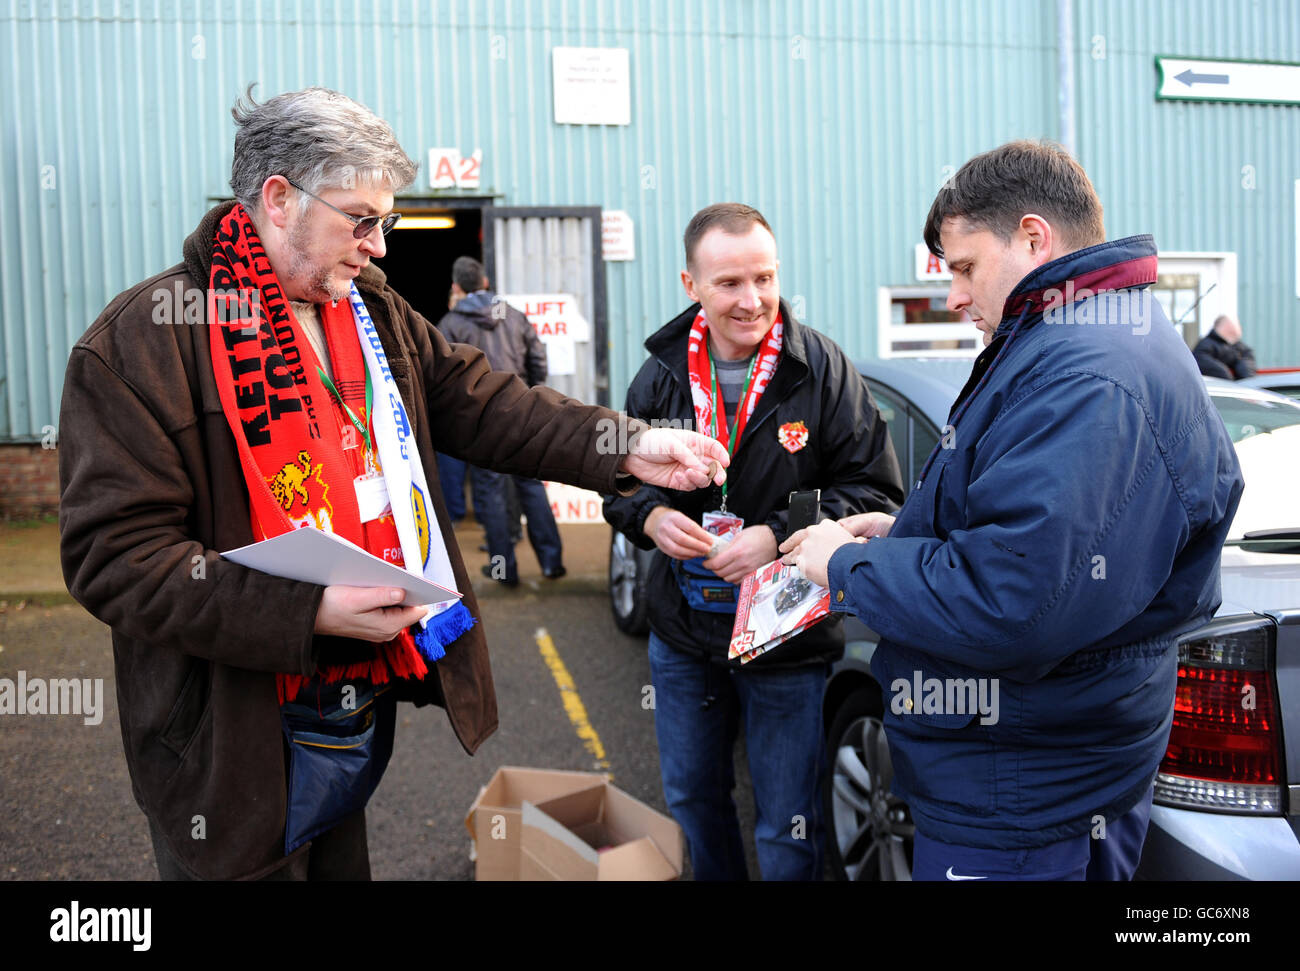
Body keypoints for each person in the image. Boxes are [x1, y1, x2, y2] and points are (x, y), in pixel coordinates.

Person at [57, 86, 728, 881]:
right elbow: (115, 559)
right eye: (361, 218)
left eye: (386, 221)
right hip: (226, 740)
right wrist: (304, 610)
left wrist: (628, 444)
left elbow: (488, 405)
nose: (378, 245)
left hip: (351, 700)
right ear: (279, 199)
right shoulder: (136, 347)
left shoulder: (369, 310)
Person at [781, 140, 1244, 881]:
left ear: (1034, 237)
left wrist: (844, 563)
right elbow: (1043, 544)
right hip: (1053, 770)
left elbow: (1011, 599)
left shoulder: (1086, 371)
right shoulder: (1094, 336)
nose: (954, 295)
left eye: (964, 268)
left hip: (1020, 793)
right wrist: (903, 536)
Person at [603, 203, 904, 880]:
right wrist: (649, 518)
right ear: (691, 285)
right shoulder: (660, 374)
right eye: (730, 283)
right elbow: (618, 482)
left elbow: (879, 494)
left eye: (765, 278)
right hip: (684, 635)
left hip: (787, 641)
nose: (753, 299)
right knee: (693, 799)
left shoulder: (821, 369)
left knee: (788, 818)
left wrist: (777, 535)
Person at [437, 257, 560, 585]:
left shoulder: (450, 323)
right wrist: (529, 395)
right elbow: (538, 360)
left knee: (490, 494)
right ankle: (551, 563)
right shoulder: (514, 316)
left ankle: (505, 571)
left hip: (481, 422)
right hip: (521, 412)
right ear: (486, 282)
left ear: (457, 287)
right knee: (531, 484)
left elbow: (441, 378)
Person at [1194, 314, 1257, 380]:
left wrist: (1246, 377)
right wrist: (1226, 375)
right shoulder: (1206, 344)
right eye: (1232, 331)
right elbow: (1201, 360)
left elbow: (1247, 360)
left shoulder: (1237, 345)